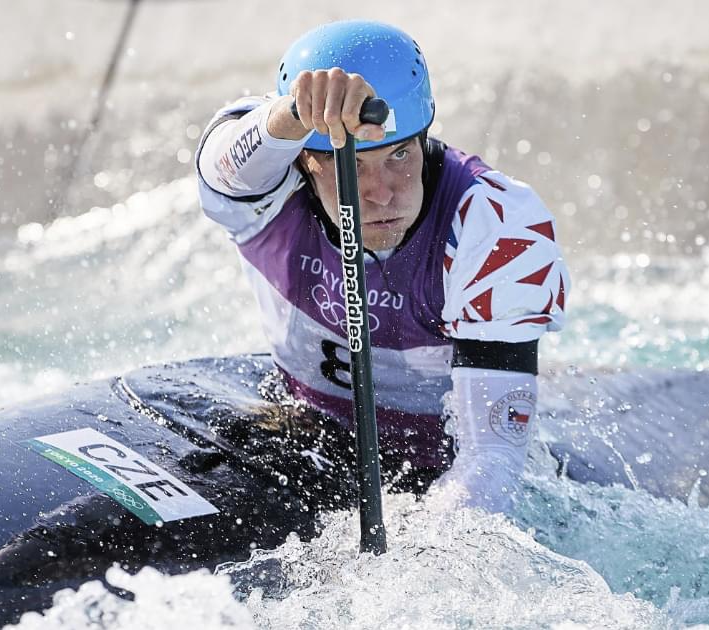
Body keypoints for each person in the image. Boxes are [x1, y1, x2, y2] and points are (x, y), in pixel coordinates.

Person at [195, 20, 570, 514]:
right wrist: (294, 113)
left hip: (437, 467)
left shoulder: (495, 225)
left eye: (398, 154)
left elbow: (491, 461)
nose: (381, 192)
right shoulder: (270, 191)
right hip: (298, 421)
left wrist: (424, 560)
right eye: (354, 164)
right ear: (306, 162)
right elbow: (220, 162)